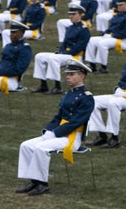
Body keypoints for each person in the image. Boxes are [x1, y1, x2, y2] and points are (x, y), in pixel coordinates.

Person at [16, 59, 95, 196]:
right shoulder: (68, 94)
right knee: (26, 145)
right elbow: (58, 117)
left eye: (72, 74)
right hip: (59, 133)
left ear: (82, 76)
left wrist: (56, 133)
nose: (68, 77)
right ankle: (34, 180)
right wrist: (48, 130)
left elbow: (76, 122)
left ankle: (42, 184)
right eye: (67, 74)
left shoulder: (87, 98)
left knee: (41, 148)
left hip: (72, 137)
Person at [31, 3, 90, 95]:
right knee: (39, 56)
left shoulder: (84, 30)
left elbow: (79, 47)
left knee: (53, 58)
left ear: (80, 15)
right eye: (70, 14)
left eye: (74, 14)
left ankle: (57, 86)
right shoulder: (70, 28)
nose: (71, 16)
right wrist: (61, 51)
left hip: (75, 57)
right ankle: (43, 85)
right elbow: (64, 43)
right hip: (66, 54)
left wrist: (65, 52)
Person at [84, 0, 126, 74]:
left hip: (121, 41)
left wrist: (113, 35)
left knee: (103, 43)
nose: (118, 6)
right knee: (91, 40)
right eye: (118, 5)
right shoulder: (116, 16)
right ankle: (92, 65)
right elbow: (111, 28)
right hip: (111, 37)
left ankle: (103, 67)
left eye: (121, 5)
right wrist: (106, 32)